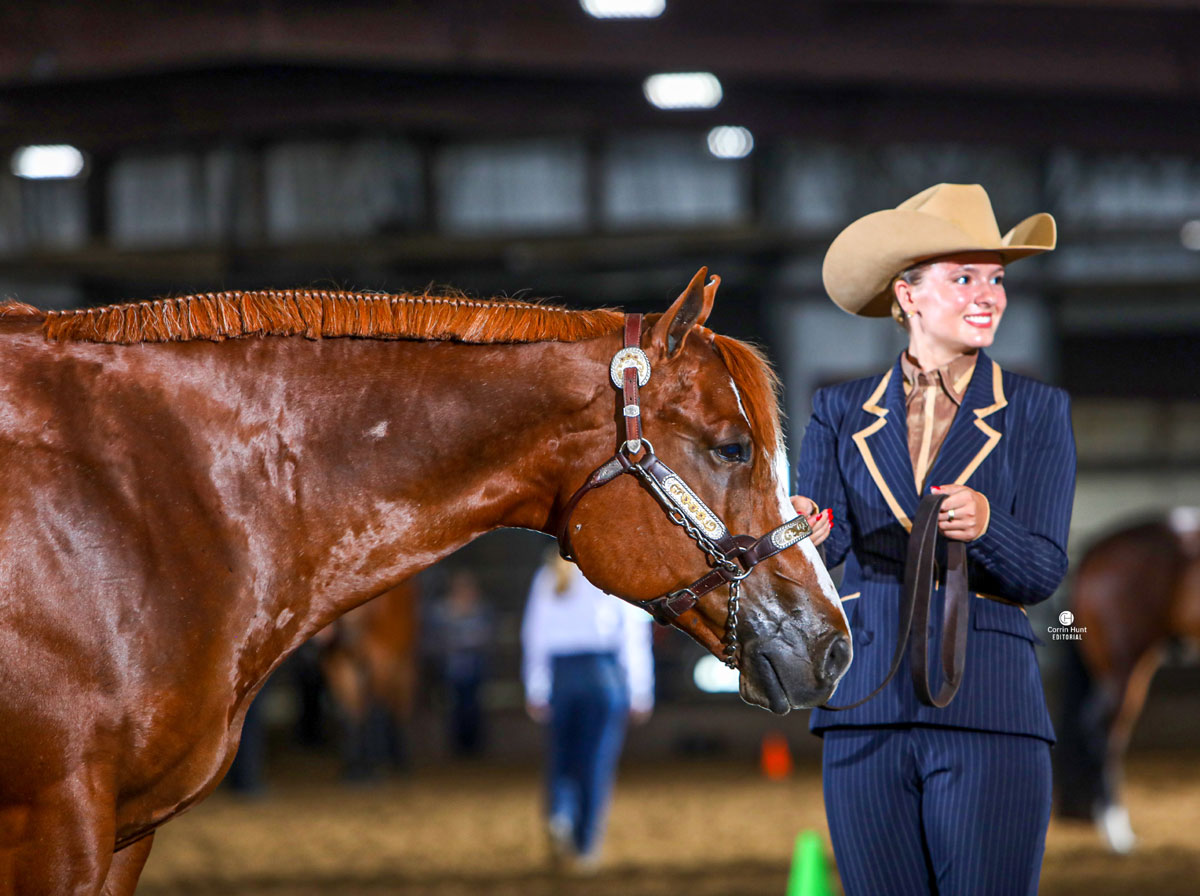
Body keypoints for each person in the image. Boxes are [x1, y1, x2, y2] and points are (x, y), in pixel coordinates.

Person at [792, 183, 1075, 895]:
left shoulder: (1037, 411)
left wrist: (990, 528)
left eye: (997, 279)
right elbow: (822, 562)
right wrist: (800, 537)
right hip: (864, 705)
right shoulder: (836, 410)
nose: (989, 296)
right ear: (908, 294)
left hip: (990, 706)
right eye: (965, 277)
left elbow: (1042, 570)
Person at [521, 549, 655, 870]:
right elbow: (632, 636)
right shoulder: (614, 573)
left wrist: (535, 686)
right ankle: (585, 845)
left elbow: (534, 634)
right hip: (603, 674)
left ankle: (560, 815)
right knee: (596, 761)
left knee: (562, 755)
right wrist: (641, 689)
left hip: (562, 675)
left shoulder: (548, 575)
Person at [426, 569, 494, 756]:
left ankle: (474, 746)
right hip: (452, 668)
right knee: (455, 708)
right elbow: (435, 640)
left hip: (474, 667)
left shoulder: (481, 608)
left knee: (473, 707)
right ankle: (458, 747)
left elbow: (486, 635)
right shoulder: (441, 610)